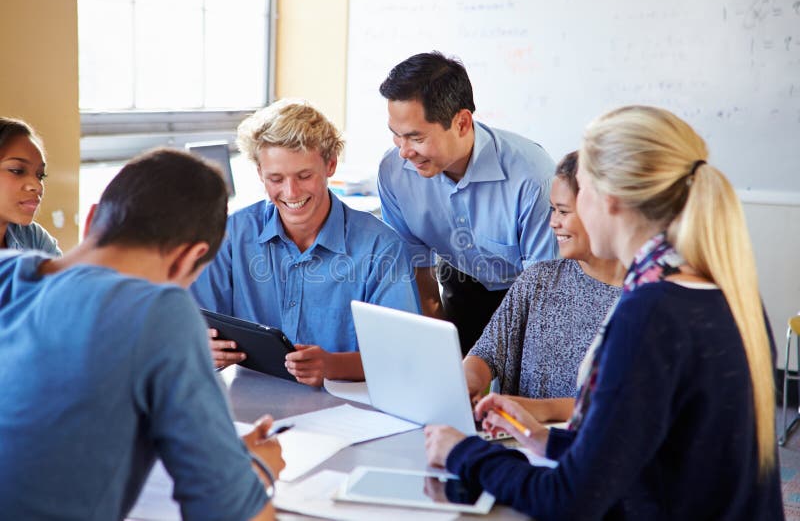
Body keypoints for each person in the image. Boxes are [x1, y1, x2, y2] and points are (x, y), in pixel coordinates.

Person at [424, 105, 784, 519]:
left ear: (608, 199)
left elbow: (569, 500)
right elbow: (639, 452)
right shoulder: (721, 290)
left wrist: (462, 452)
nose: (556, 217)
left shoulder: (650, 313)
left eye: (582, 190)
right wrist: (541, 438)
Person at [0, 148, 284, 520]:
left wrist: (226, 464)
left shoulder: (7, 271)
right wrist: (251, 474)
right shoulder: (158, 310)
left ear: (91, 218)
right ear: (188, 258)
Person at [191, 99, 420, 386]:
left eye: (304, 175)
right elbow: (191, 324)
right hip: (249, 404)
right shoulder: (231, 235)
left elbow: (403, 355)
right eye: (275, 178)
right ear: (260, 173)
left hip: (347, 407)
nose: (291, 192)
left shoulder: (380, 248)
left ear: (331, 165)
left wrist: (332, 365)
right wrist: (202, 345)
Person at [377, 51, 557, 355]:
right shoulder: (393, 172)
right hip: (461, 285)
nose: (404, 152)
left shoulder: (531, 177)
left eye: (416, 138)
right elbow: (418, 270)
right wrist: (441, 351)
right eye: (396, 136)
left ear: (461, 123)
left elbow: (545, 292)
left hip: (528, 298)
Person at [464, 151, 623, 421]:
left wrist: (539, 410)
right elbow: (486, 354)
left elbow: (625, 407)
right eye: (552, 209)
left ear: (602, 211)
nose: (553, 222)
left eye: (563, 211)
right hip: (519, 442)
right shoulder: (538, 280)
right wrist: (467, 384)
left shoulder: (643, 298)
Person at [0, 117, 61, 255]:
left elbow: (64, 275)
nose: (37, 187)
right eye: (17, 170)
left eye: (40, 176)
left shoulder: (33, 238)